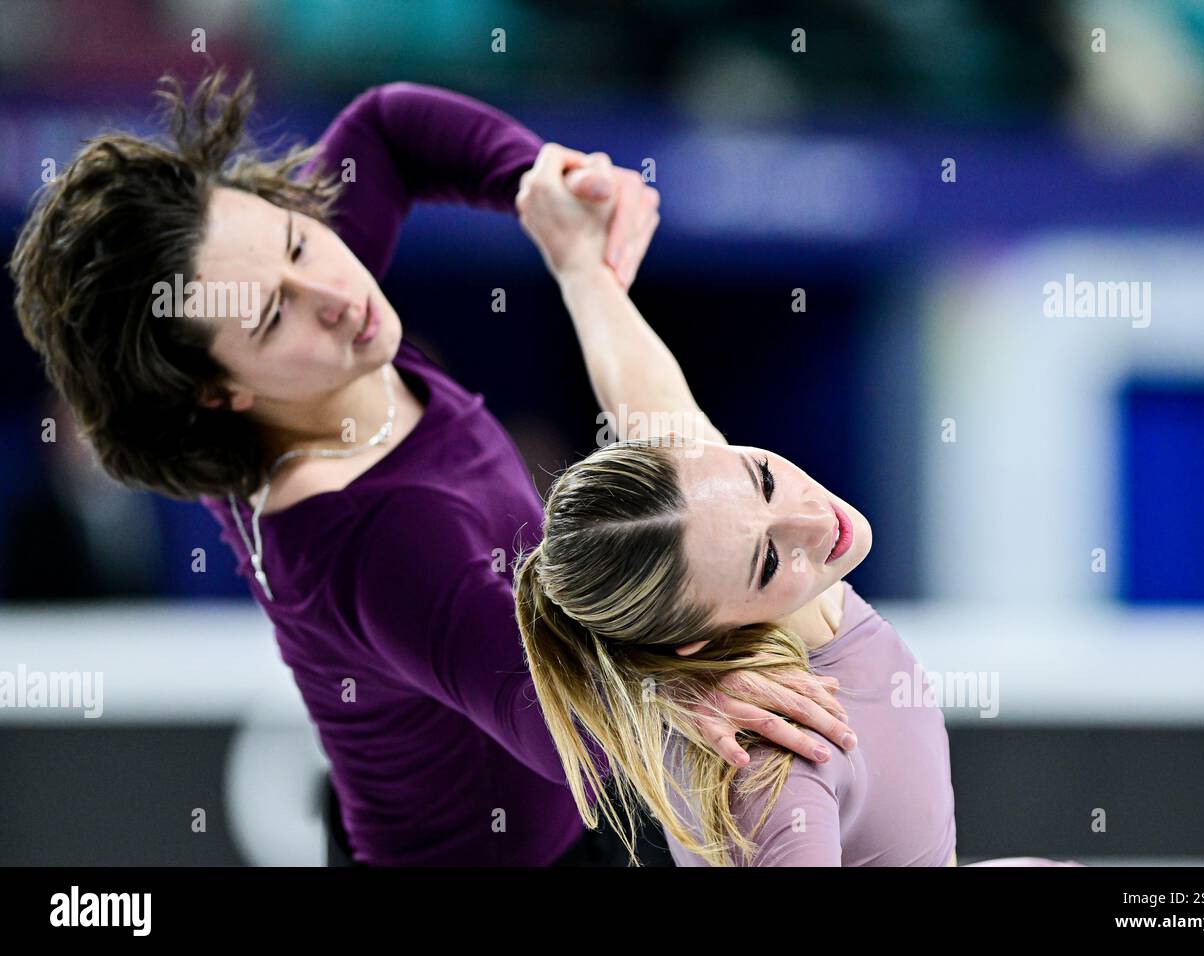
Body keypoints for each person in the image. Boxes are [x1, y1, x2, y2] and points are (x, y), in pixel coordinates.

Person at [7, 68, 856, 866]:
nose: (338, 295)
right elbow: (569, 728)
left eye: (300, 242)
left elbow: (389, 126)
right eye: (273, 317)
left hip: (478, 807)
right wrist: (694, 692)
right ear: (218, 393)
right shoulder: (379, 541)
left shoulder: (296, 312)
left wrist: (537, 177)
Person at [511, 150, 1084, 867]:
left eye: (763, 478)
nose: (818, 523)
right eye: (768, 560)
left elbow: (653, 402)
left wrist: (579, 266)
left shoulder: (703, 531)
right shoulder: (775, 766)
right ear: (697, 639)